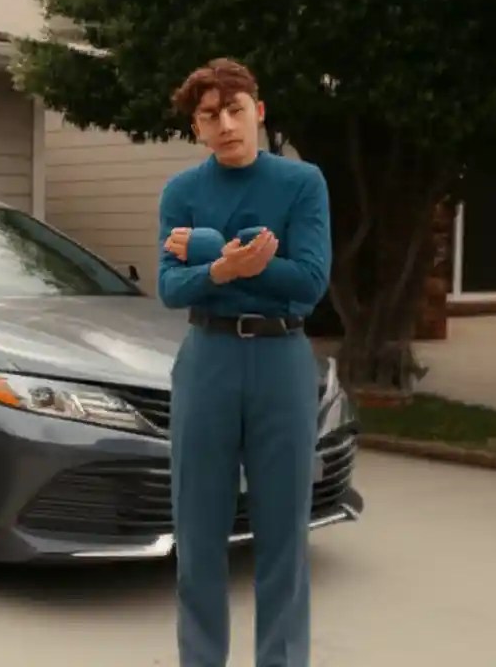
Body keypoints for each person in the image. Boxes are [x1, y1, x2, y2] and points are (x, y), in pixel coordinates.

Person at [157, 57, 332, 667]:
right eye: (210, 116)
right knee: (199, 539)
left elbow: (308, 282)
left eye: (235, 110)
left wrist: (208, 253)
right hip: (207, 360)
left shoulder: (303, 183)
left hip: (282, 360)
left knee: (283, 539)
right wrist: (229, 268)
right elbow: (172, 289)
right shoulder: (182, 192)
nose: (225, 124)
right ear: (197, 128)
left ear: (258, 111)